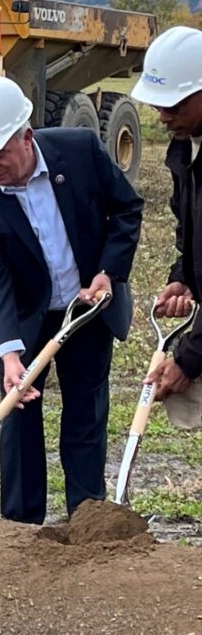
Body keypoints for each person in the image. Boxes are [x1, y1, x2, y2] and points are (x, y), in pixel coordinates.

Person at [0, 75, 142, 524]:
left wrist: (108, 273)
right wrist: (9, 352)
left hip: (87, 306)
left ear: (27, 137)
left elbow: (127, 209)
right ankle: (20, 525)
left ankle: (87, 519)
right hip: (24, 314)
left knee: (85, 414)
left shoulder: (80, 152)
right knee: (19, 416)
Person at [130, 26, 202, 401]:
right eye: (158, 105)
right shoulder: (185, 148)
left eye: (173, 106)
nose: (162, 117)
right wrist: (185, 276)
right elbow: (190, 233)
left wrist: (188, 360)